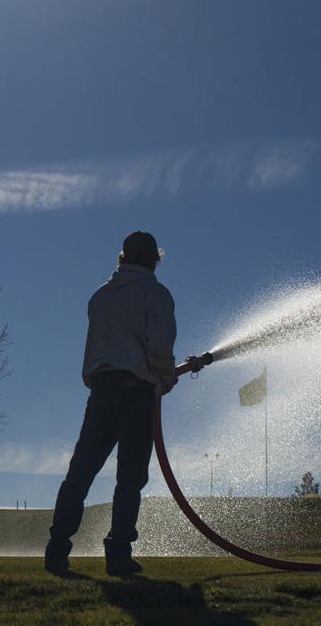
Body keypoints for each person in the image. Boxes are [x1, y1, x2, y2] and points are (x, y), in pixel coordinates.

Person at [44, 231, 209, 576]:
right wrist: (165, 378)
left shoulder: (100, 297)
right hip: (136, 394)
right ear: (154, 260)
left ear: (122, 258)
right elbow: (159, 349)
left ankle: (57, 550)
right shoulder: (156, 294)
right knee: (129, 478)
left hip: (101, 393)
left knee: (80, 475)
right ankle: (118, 554)